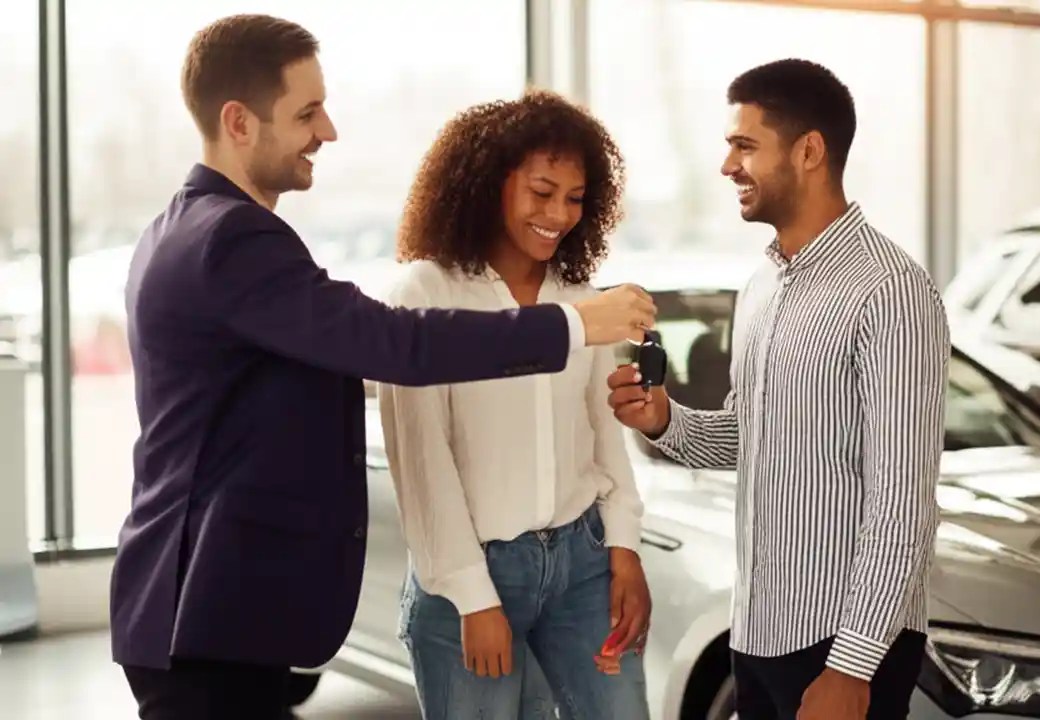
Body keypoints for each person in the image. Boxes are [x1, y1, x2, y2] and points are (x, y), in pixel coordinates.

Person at [110, 14, 655, 720]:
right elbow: (392, 344)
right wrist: (575, 326)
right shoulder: (233, 240)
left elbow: (334, 361)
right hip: (207, 612)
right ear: (239, 122)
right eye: (307, 112)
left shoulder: (182, 229)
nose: (327, 131)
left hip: (203, 609)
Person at [607, 59, 949, 720]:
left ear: (809, 151)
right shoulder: (760, 285)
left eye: (744, 146)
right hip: (757, 633)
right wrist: (663, 420)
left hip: (843, 648)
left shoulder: (891, 291)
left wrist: (852, 667)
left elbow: (903, 502)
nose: (726, 166)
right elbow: (753, 436)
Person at [378, 89, 651, 720]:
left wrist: (625, 550)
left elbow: (603, 437)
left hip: (582, 567)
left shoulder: (580, 297)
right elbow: (424, 465)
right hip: (473, 572)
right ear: (490, 184)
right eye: (542, 191)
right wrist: (474, 598)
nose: (559, 214)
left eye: (575, 199)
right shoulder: (425, 291)